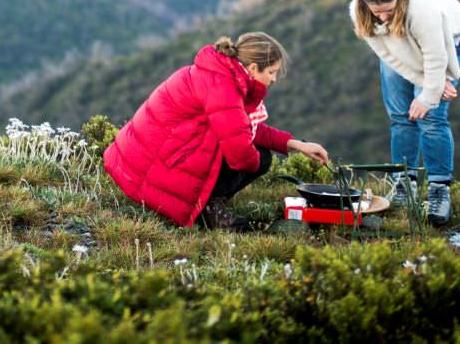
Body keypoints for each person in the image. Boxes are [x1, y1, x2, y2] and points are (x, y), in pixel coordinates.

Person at [103, 32, 330, 229]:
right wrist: (254, 167)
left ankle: (211, 199)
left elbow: (245, 128)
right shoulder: (223, 88)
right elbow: (240, 150)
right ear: (253, 68)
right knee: (259, 158)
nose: (273, 79)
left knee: (253, 152)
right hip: (154, 165)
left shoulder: (222, 74)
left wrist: (296, 145)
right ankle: (209, 206)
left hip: (146, 157)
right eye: (271, 72)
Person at [350, 0, 460, 227]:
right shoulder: (360, 12)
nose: (382, 17)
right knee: (400, 115)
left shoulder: (422, 10)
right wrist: (428, 84)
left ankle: (439, 189)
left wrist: (430, 95)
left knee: (431, 118)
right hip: (397, 44)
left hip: (445, 40)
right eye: (377, 11)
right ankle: (404, 184)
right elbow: (389, 56)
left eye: (388, 10)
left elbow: (435, 57)